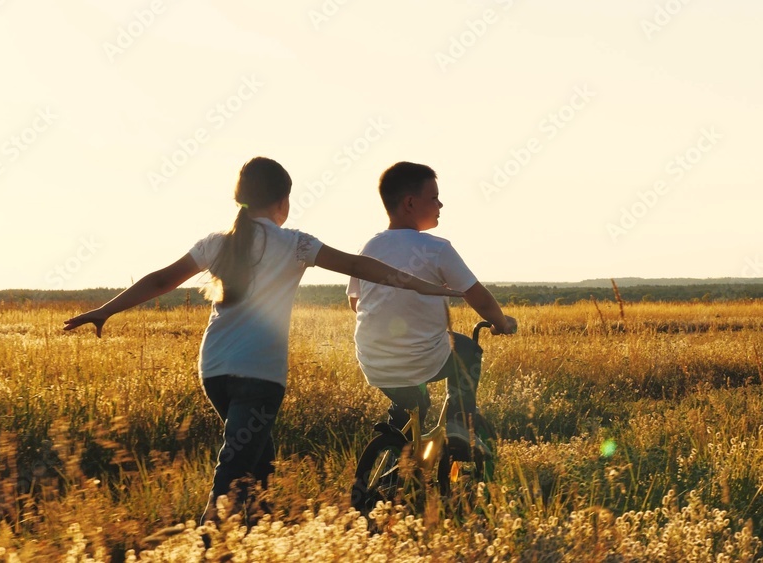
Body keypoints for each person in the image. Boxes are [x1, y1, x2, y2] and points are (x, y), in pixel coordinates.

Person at [63, 157, 464, 527]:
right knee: (234, 470)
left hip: (215, 370)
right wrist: (425, 287)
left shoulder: (216, 242)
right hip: (260, 375)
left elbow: (159, 280)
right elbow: (361, 267)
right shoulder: (295, 243)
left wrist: (105, 310)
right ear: (282, 201)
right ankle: (210, 537)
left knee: (258, 462)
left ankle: (257, 532)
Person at [347, 161, 517, 442]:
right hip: (422, 359)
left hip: (373, 362)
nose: (441, 204)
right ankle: (459, 424)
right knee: (468, 351)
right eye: (434, 197)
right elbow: (479, 298)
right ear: (410, 203)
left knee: (413, 406)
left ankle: (394, 457)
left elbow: (356, 304)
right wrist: (502, 323)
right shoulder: (436, 248)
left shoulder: (369, 247)